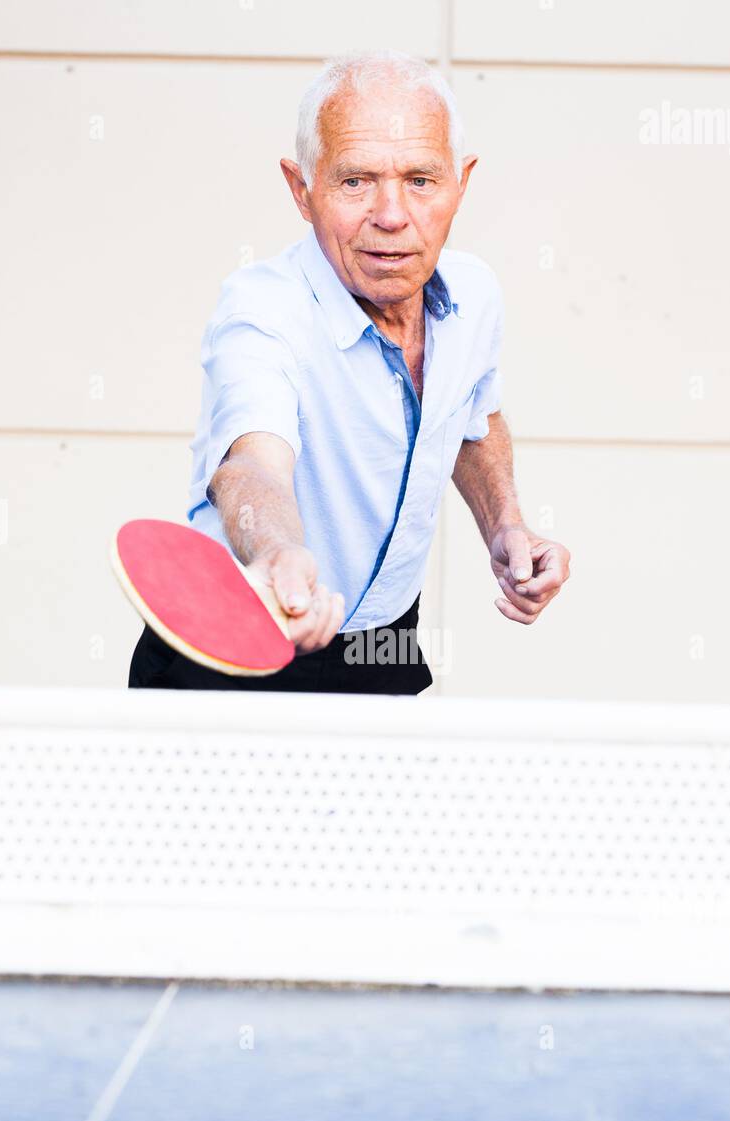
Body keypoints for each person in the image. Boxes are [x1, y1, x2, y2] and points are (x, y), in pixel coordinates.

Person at [130, 48, 570, 694]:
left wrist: (506, 524)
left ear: (461, 181)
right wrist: (278, 553)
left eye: (420, 180)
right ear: (301, 189)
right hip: (233, 646)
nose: (391, 215)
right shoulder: (262, 309)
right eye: (355, 181)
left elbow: (473, 419)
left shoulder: (475, 295)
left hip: (384, 643)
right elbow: (250, 465)